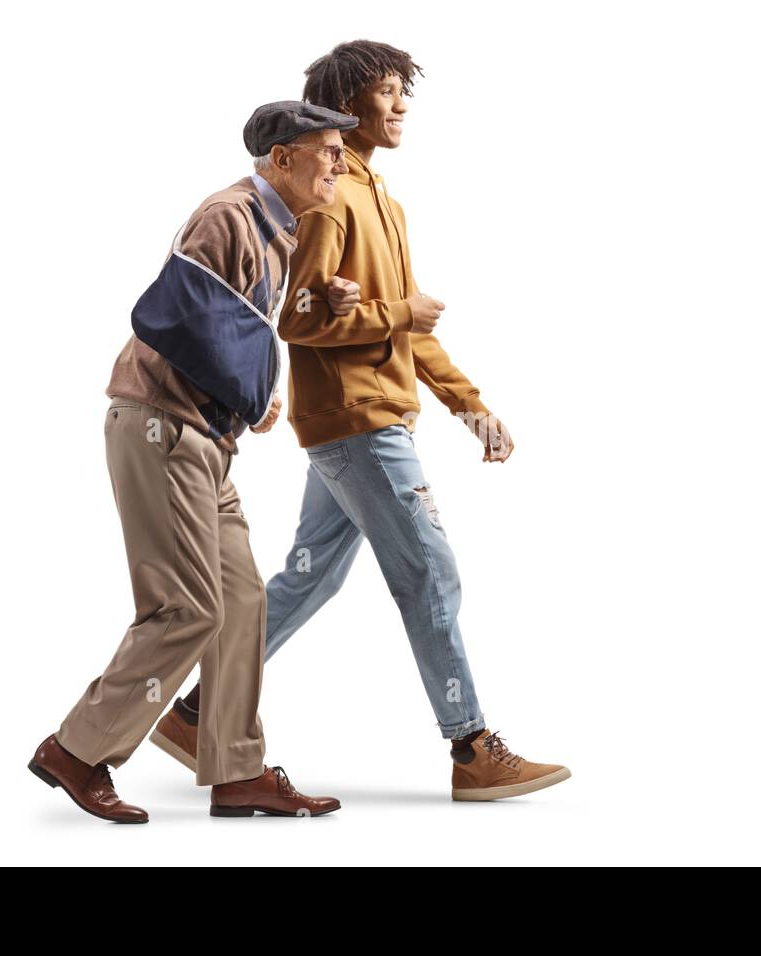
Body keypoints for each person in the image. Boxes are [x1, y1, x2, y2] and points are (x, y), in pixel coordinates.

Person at [156, 41, 570, 801]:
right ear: (348, 108)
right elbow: (298, 319)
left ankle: (194, 713)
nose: (402, 104)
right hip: (358, 424)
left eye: (401, 91)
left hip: (363, 421)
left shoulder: (382, 199)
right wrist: (395, 312)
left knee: (307, 582)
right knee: (431, 575)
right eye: (387, 91)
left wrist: (468, 405)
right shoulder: (331, 194)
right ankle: (472, 747)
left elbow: (409, 331)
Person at [28, 101, 358, 821]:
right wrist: (253, 386)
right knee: (186, 610)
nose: (338, 161)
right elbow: (180, 317)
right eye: (327, 150)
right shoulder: (228, 213)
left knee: (242, 602)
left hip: (206, 441)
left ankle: (237, 771)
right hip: (161, 430)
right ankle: (78, 752)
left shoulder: (277, 234)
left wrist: (314, 301)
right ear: (281, 158)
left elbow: (241, 318)